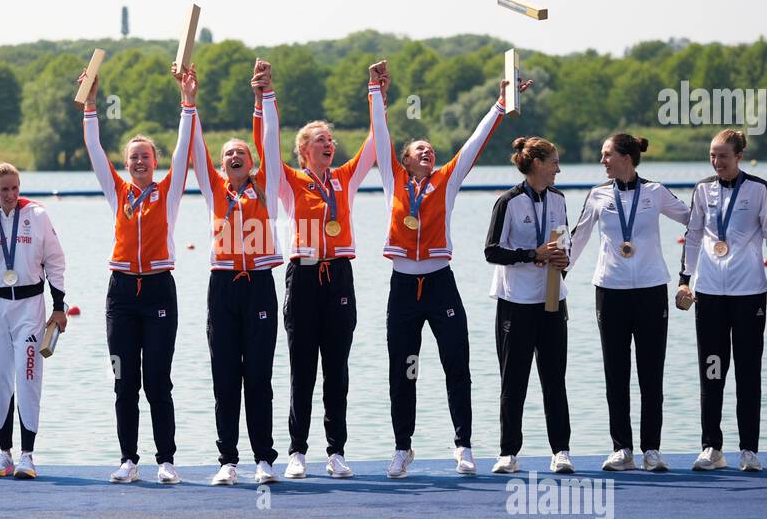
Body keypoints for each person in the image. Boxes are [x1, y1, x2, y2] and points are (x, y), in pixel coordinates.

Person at [371, 59, 528, 478]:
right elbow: (381, 134)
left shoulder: (447, 180)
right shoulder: (392, 180)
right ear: (404, 161)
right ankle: (403, 447)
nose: (428, 151)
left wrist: (500, 103)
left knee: (456, 364)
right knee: (403, 368)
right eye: (419, 148)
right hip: (403, 287)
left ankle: (463, 445)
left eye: (431, 148)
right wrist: (376, 92)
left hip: (440, 284)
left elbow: (475, 142)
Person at [81, 62, 195, 484]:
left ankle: (166, 460)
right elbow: (94, 150)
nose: (140, 162)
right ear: (126, 164)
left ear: (156, 161)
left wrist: (187, 102)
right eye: (133, 157)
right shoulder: (117, 190)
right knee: (123, 381)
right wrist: (91, 105)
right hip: (122, 294)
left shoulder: (169, 193)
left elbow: (185, 151)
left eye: (146, 156)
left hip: (159, 292)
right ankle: (129, 459)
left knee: (158, 382)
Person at [263, 71, 376, 480]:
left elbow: (377, 142)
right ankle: (297, 451)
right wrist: (268, 96)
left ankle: (336, 451)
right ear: (303, 151)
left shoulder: (345, 179)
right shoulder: (290, 183)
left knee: (337, 369)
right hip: (304, 276)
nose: (329, 144)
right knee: (302, 368)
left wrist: (375, 92)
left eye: (331, 140)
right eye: (320, 140)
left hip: (339, 277)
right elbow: (267, 149)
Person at [568, 133, 690, 471]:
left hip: (652, 290)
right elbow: (577, 239)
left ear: (626, 157)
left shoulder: (656, 193)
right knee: (616, 373)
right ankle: (622, 448)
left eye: (607, 155)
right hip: (610, 291)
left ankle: (652, 449)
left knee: (651, 374)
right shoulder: (597, 195)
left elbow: (694, 222)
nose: (602, 161)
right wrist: (555, 280)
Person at [189, 60, 283, 485]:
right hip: (222, 286)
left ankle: (265, 458)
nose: (232, 157)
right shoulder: (213, 189)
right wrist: (189, 102)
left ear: (251, 162)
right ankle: (228, 459)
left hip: (259, 285)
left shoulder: (267, 188)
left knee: (258, 377)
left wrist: (263, 96)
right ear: (222, 166)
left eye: (240, 153)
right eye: (227, 155)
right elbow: (194, 150)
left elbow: (271, 142)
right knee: (225, 376)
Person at [676, 129, 767, 472]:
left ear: (739, 156)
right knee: (712, 372)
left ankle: (749, 450)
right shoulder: (702, 189)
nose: (716, 161)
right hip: (708, 295)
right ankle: (712, 447)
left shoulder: (759, 189)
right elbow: (692, 238)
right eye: (712, 155)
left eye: (723, 155)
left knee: (748, 374)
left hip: (749, 293)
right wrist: (684, 281)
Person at [0, 163, 68, 480]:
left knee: (28, 376)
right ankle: (4, 453)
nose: (11, 195)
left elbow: (55, 261)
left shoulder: (37, 216)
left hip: (30, 307)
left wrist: (60, 306)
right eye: (4, 189)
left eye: (15, 188)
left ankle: (27, 455)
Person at [483, 136, 573, 474]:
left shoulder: (559, 199)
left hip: (552, 300)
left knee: (555, 379)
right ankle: (508, 453)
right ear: (537, 164)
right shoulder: (509, 202)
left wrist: (562, 258)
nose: (558, 169)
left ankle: (561, 450)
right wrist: (531, 254)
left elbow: (565, 244)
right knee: (514, 380)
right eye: (554, 163)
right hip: (516, 302)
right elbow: (492, 251)